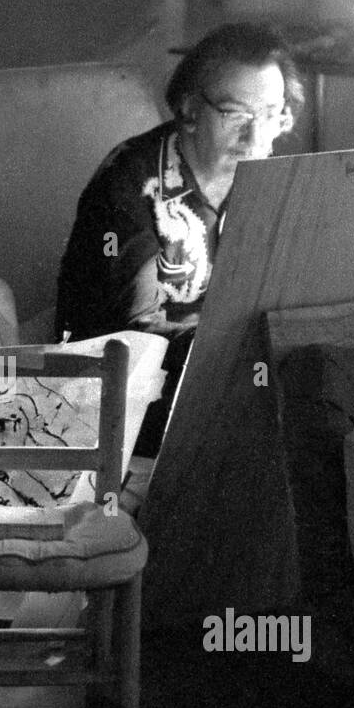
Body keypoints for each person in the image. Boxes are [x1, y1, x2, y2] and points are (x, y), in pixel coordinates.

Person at [54, 23, 304, 451]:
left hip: (222, 377)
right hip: (113, 394)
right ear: (189, 109)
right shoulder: (129, 186)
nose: (256, 138)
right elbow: (133, 337)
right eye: (235, 114)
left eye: (269, 115)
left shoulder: (268, 178)